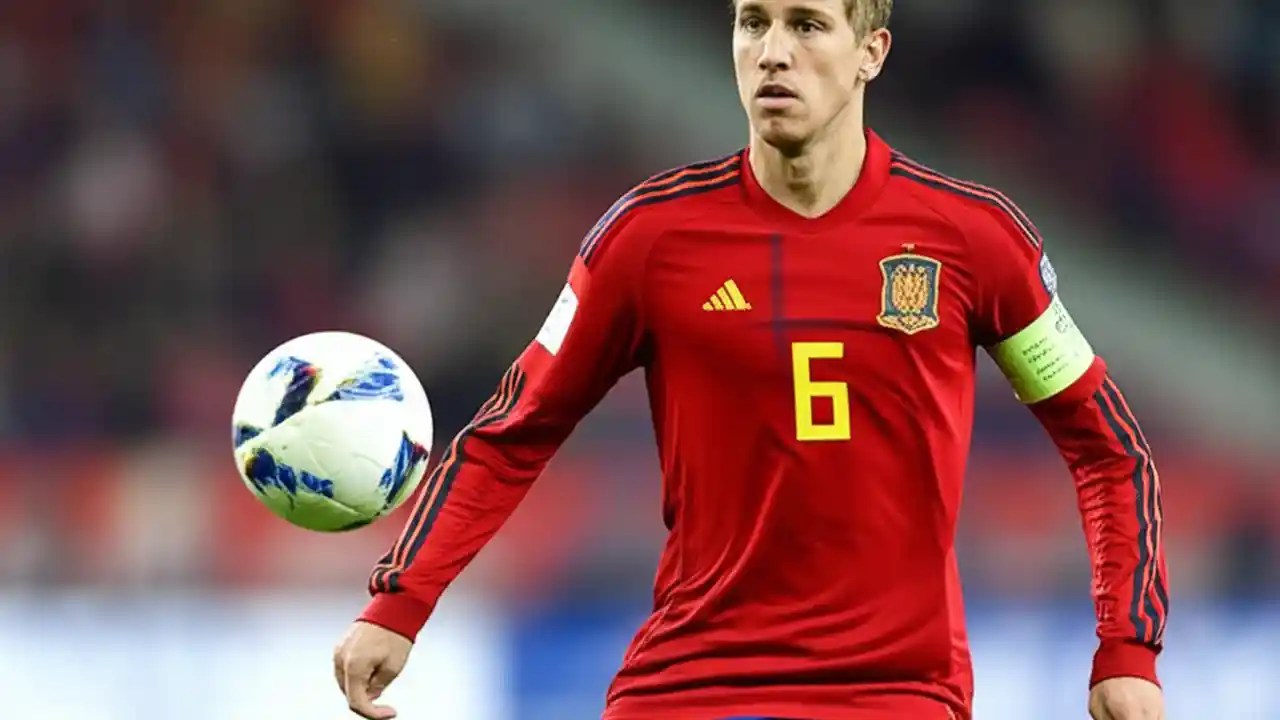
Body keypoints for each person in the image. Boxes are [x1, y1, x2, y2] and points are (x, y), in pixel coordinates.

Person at [333, 1, 1169, 718]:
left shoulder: (974, 241)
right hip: (690, 684)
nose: (773, 50)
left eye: (807, 24)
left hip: (893, 692)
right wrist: (400, 602)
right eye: (752, 22)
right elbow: (515, 431)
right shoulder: (648, 240)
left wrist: (1127, 650)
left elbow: (1108, 450)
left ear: (871, 51)